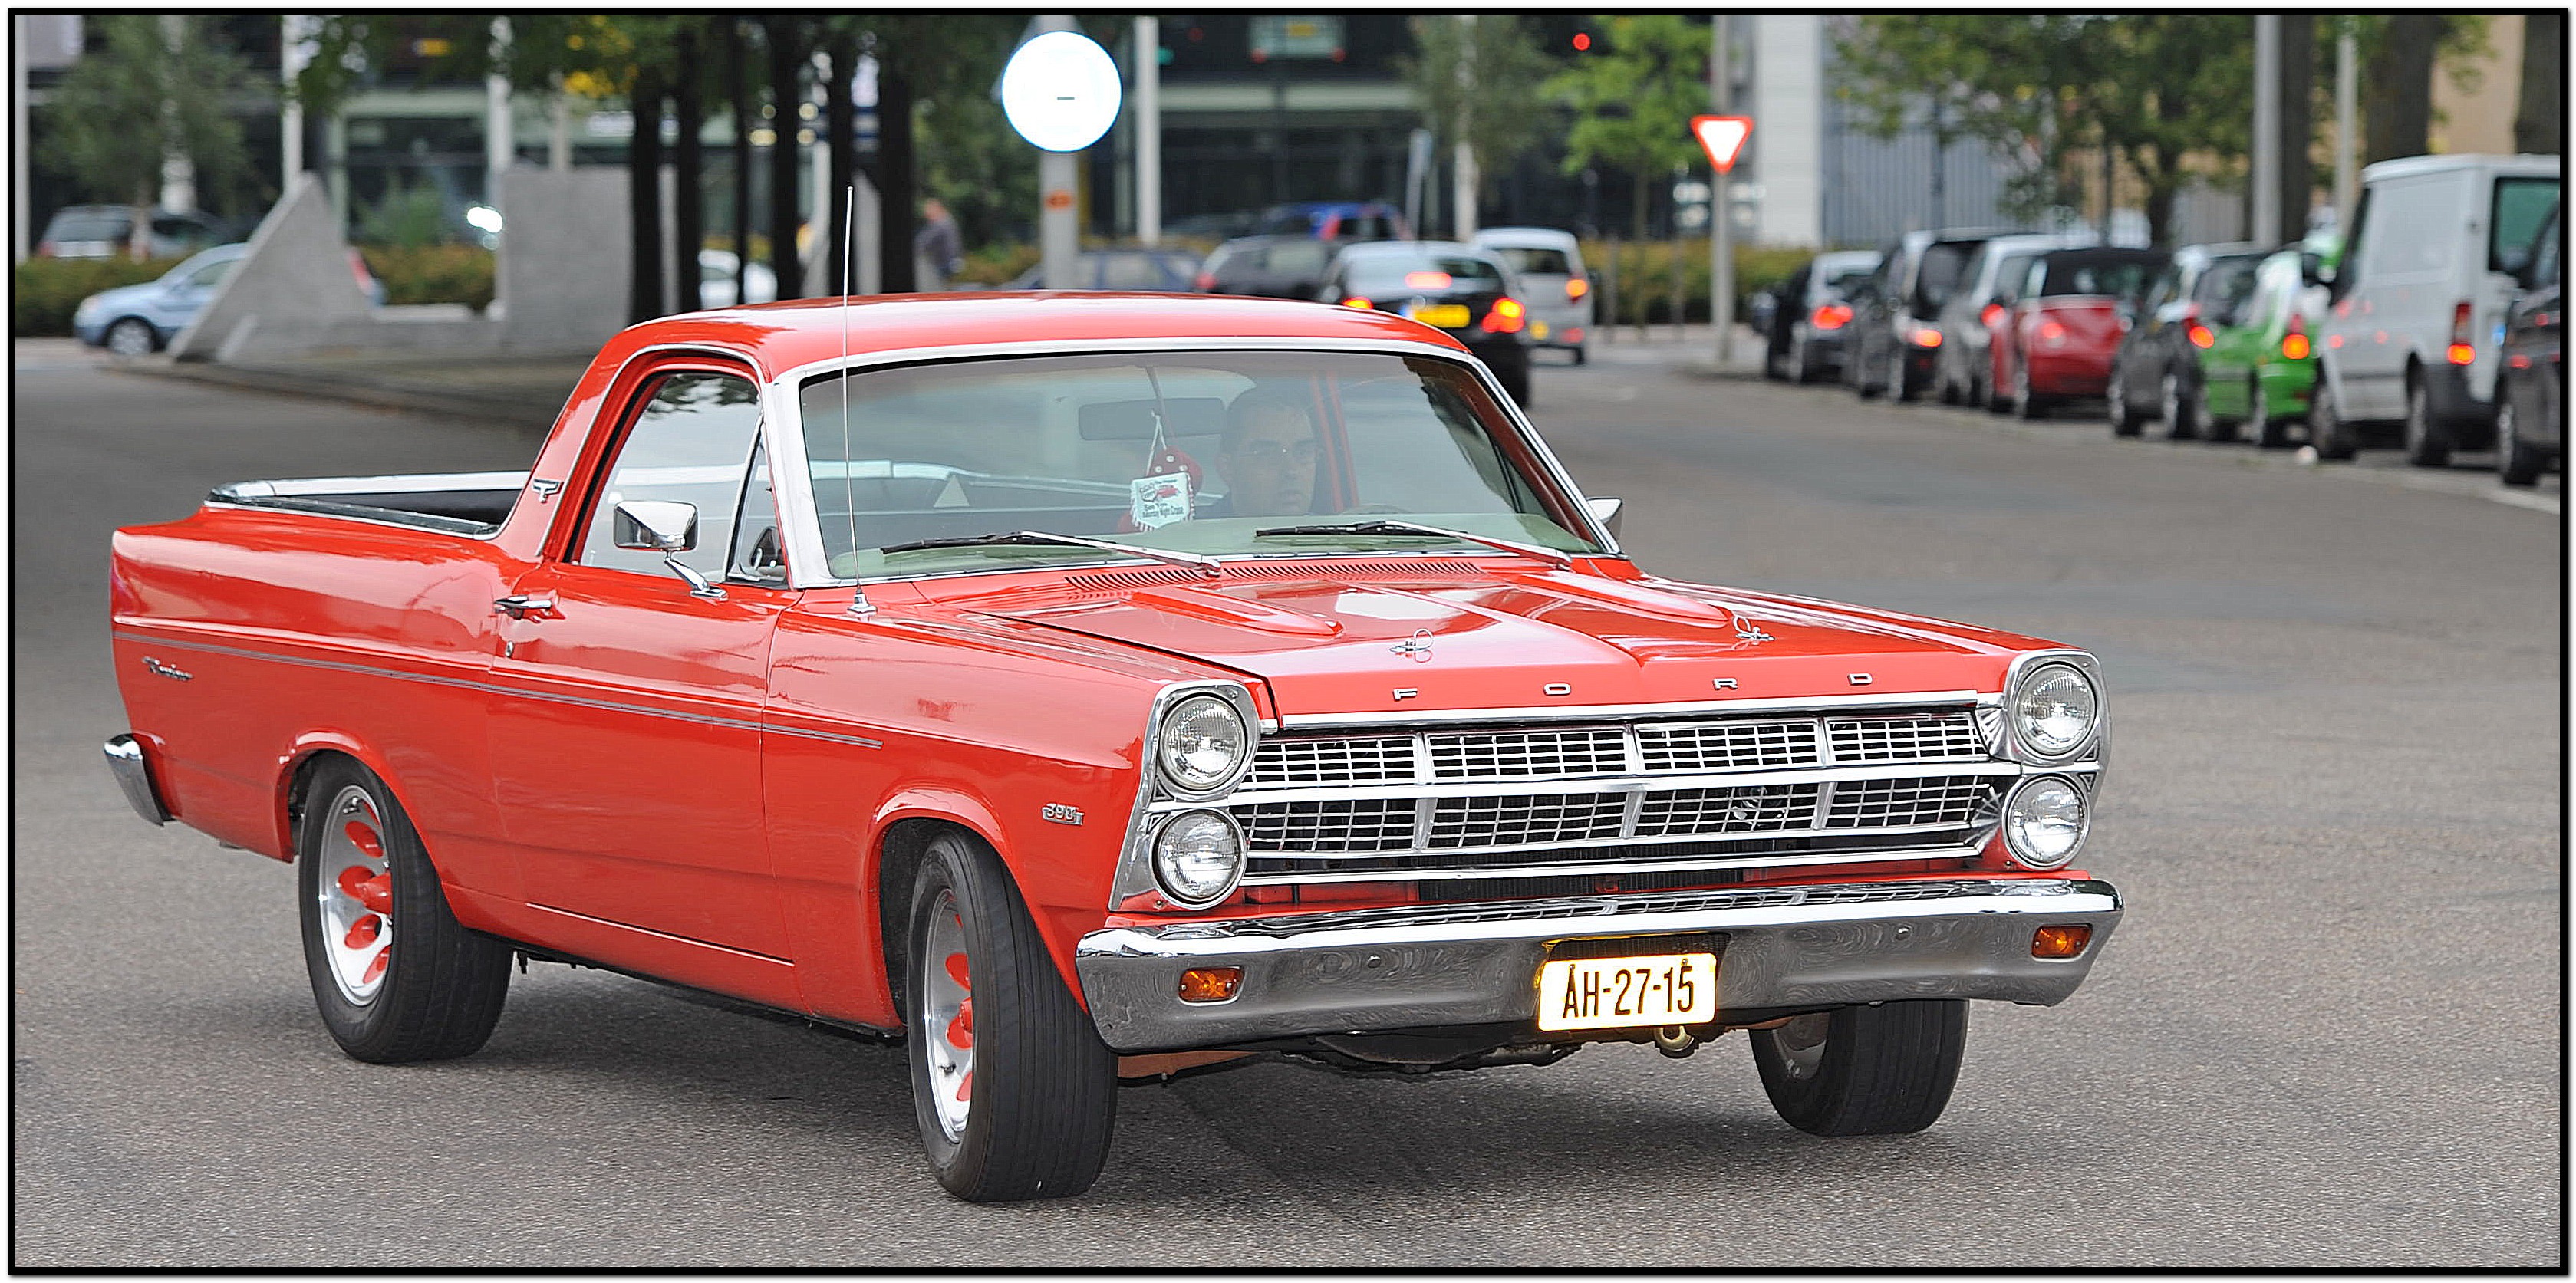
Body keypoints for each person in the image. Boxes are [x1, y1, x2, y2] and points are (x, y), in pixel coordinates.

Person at [1201, 391, 1319, 518]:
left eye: (1304, 453)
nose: (1291, 471)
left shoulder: (1332, 532)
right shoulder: (1194, 536)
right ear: (1227, 468)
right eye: (1267, 455)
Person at [914, 199, 963, 290]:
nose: (926, 214)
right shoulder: (948, 222)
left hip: (944, 264)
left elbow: (923, 242)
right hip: (950, 262)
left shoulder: (941, 224)